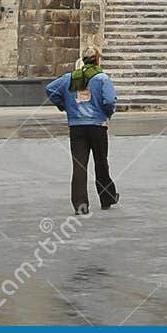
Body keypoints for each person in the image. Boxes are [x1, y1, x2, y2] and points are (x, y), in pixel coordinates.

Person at [45, 50, 119, 215]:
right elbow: (109, 100)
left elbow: (50, 89)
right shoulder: (102, 78)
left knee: (79, 166)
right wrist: (107, 112)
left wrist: (63, 105)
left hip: (76, 127)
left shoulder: (70, 78)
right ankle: (107, 198)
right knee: (101, 163)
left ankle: (80, 204)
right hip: (97, 126)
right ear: (97, 60)